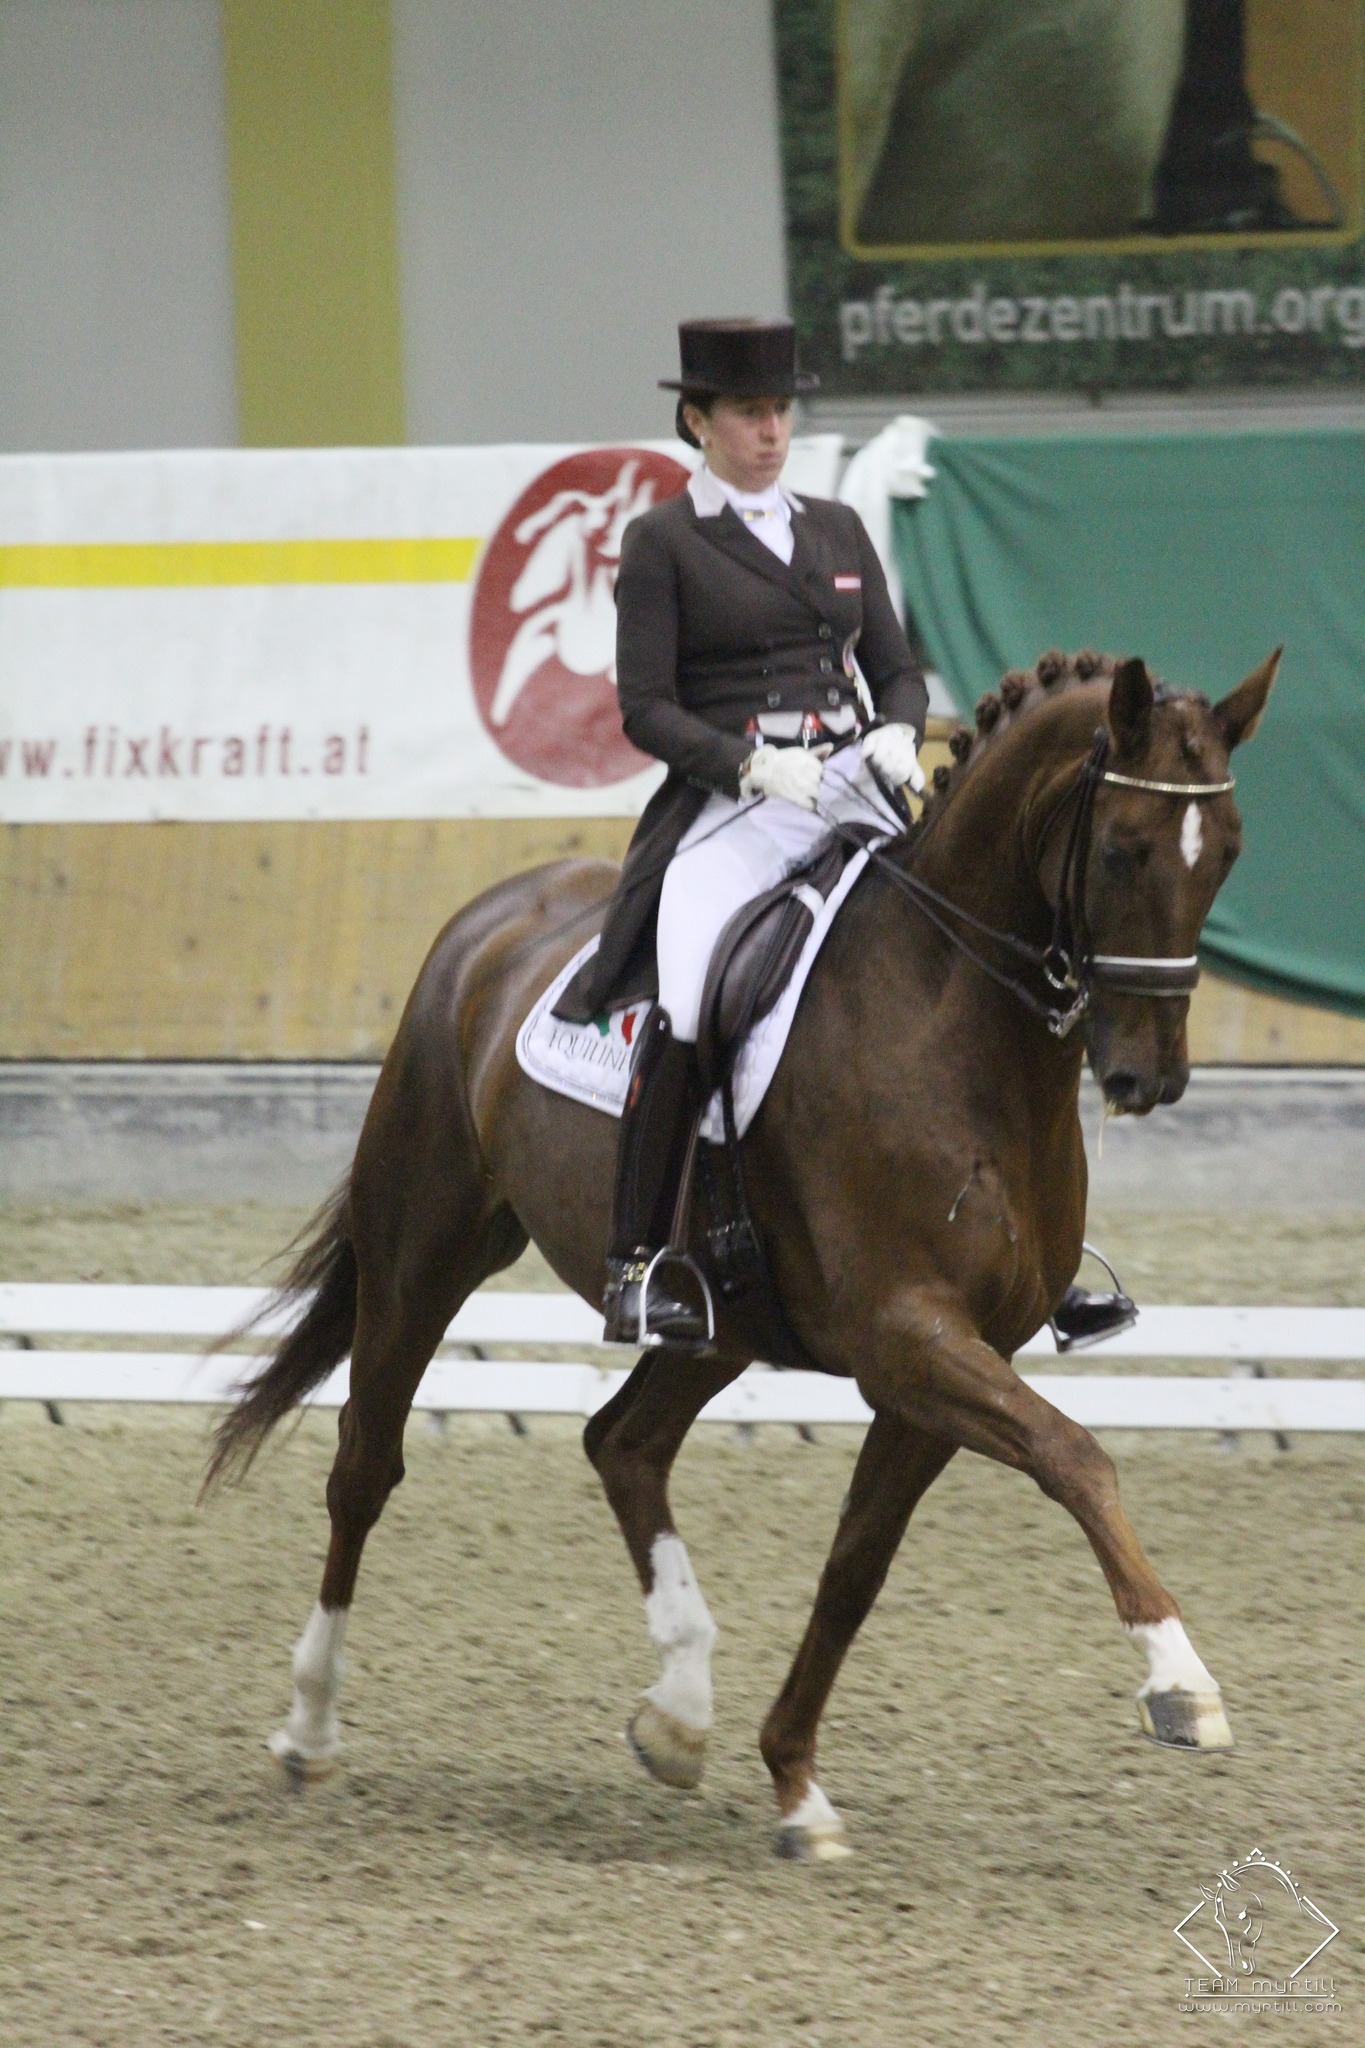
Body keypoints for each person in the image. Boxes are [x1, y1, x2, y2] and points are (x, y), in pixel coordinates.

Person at [555, 316, 1133, 1353]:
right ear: (698, 422)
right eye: (749, 413)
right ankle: (637, 1264)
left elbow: (896, 668)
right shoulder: (663, 542)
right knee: (688, 994)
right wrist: (746, 763)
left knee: (992, 955)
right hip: (730, 811)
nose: (771, 431)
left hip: (848, 792)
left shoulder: (834, 528)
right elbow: (644, 707)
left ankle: (1038, 1250)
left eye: (780, 411)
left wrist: (898, 730)